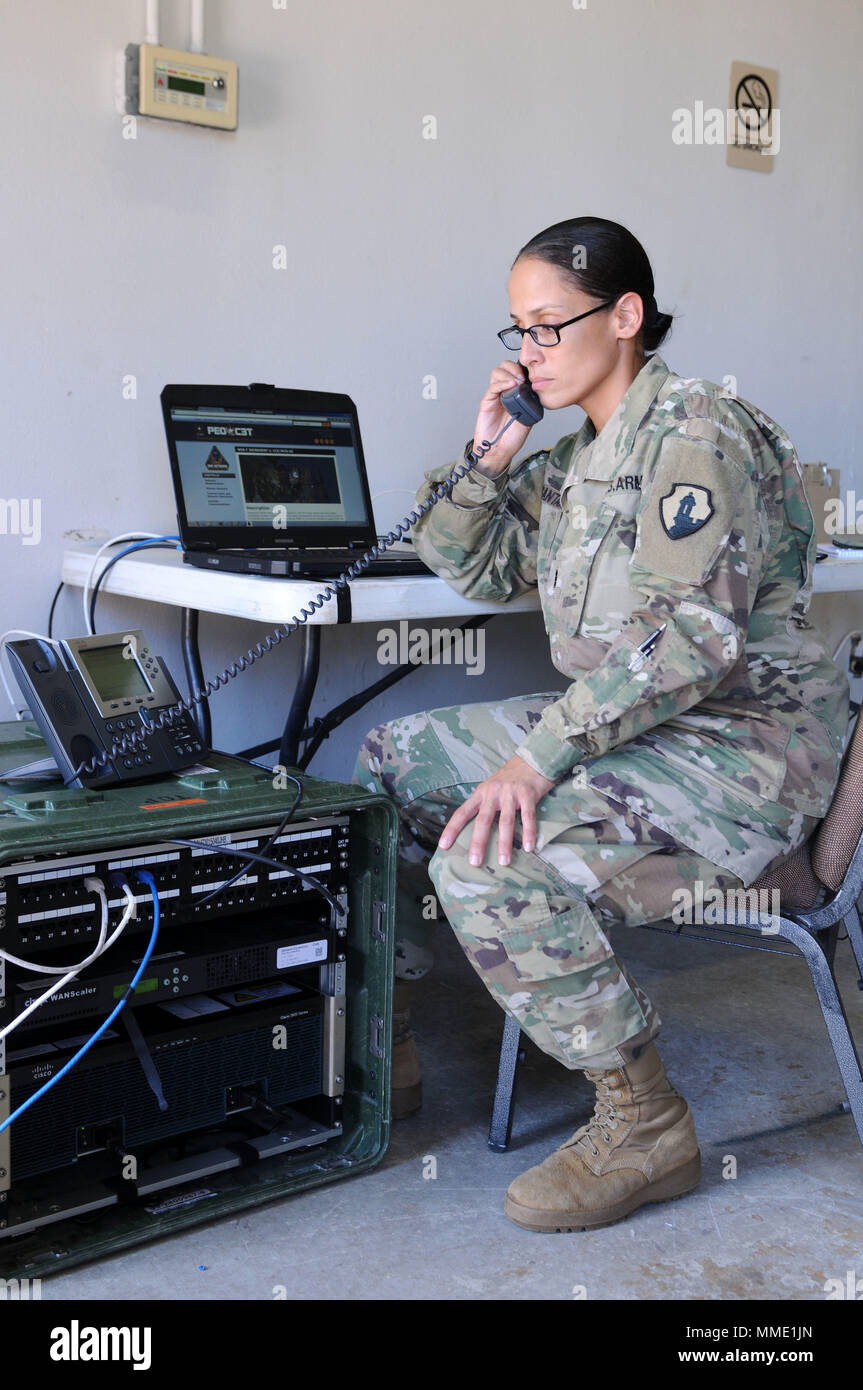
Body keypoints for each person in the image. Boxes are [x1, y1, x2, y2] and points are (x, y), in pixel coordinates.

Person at [351, 216, 848, 1232]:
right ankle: (382, 1025)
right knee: (386, 759)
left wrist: (534, 763)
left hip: (738, 745)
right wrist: (487, 458)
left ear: (623, 316)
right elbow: (476, 564)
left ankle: (642, 1119)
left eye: (546, 327)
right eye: (517, 334)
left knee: (486, 862)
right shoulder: (579, 456)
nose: (528, 352)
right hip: (637, 731)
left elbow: (688, 644)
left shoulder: (695, 432)